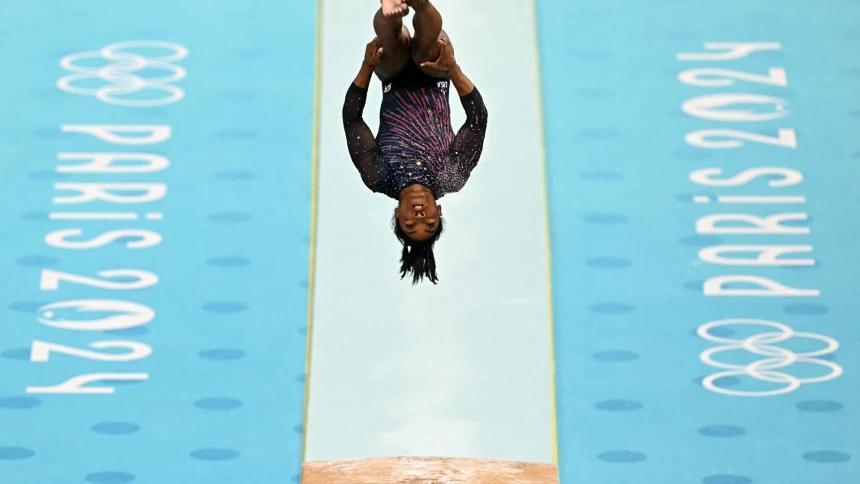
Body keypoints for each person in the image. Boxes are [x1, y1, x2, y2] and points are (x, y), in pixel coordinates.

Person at [342, 0, 488, 285]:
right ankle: (420, 3)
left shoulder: (379, 177)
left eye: (410, 224)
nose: (419, 216)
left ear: (397, 215)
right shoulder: (451, 177)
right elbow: (477, 121)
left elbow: (353, 121)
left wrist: (366, 68)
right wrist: (453, 68)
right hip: (436, 73)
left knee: (389, 42)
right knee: (427, 48)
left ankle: (392, 10)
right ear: (439, 211)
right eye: (429, 222)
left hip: (392, 77)